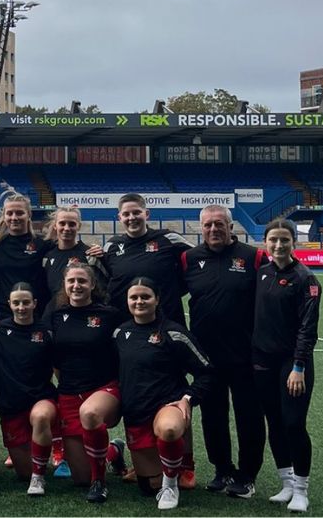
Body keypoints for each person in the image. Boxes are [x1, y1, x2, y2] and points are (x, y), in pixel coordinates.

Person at [97, 193, 197, 488]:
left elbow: (197, 262)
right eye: (126, 214)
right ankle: (145, 460)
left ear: (146, 213)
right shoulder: (112, 247)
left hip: (167, 331)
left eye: (136, 212)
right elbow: (102, 282)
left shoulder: (169, 239)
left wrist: (171, 296)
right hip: (127, 331)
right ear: (119, 217)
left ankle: (187, 465)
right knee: (135, 390)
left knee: (175, 394)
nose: (131, 218)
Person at [181, 204, 267, 497]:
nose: (213, 229)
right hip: (207, 357)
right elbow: (166, 295)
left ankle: (247, 475)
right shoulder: (189, 259)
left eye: (219, 224)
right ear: (201, 228)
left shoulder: (253, 257)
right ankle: (222, 469)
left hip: (246, 355)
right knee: (213, 416)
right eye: (208, 225)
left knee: (249, 416)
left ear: (231, 227)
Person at [114, 277, 214, 510]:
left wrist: (188, 398)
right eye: (134, 297)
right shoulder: (119, 333)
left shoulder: (173, 332)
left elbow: (207, 371)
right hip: (135, 412)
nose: (140, 301)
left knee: (169, 430)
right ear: (127, 301)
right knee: (148, 487)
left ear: (157, 299)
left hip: (166, 405)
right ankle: (114, 452)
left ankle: (171, 485)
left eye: (145, 297)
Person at [253, 218, 321, 513]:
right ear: (265, 243)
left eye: (284, 240)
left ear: (294, 242)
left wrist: (299, 366)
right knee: (275, 423)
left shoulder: (306, 279)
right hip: (262, 361)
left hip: (292, 364)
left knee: (293, 423)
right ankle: (287, 483)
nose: (278, 245)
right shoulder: (263, 273)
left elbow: (308, 328)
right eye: (273, 240)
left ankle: (302, 489)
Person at [44, 263, 127, 503]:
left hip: (104, 388)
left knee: (90, 413)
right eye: (71, 281)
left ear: (92, 284)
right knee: (80, 477)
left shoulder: (109, 315)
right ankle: (113, 452)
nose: (76, 285)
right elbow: (54, 360)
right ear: (65, 286)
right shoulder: (56, 316)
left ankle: (99, 482)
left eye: (82, 281)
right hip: (69, 392)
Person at [0, 283, 58, 496]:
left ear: (34, 304)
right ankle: (113, 451)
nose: (21, 307)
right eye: (17, 303)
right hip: (10, 403)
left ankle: (38, 479)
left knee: (40, 416)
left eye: (26, 302)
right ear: (9, 304)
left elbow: (59, 366)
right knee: (22, 473)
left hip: (41, 398)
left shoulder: (46, 332)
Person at [0, 194, 54, 319]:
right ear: (4, 216)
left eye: (19, 213)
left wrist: (92, 249)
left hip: (37, 315)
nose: (14, 217)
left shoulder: (43, 244)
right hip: (5, 315)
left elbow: (68, 249)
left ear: (29, 215)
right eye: (10, 213)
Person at [40, 205, 107, 313]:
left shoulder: (90, 254)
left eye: (72, 224)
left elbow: (102, 292)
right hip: (57, 318)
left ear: (79, 226)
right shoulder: (47, 257)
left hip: (84, 317)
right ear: (55, 226)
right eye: (62, 223)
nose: (66, 228)